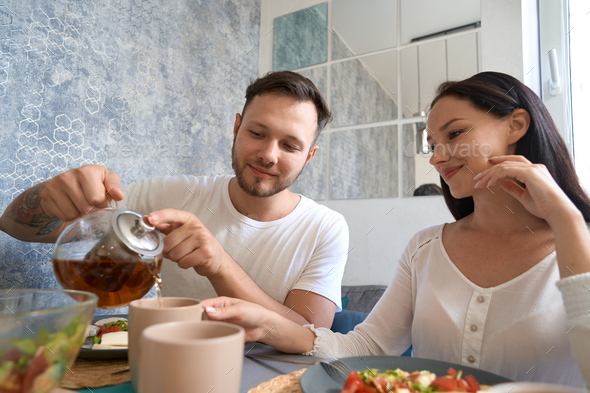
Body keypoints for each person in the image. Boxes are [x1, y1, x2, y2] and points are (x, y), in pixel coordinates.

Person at [200, 72, 590, 388]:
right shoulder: (425, 248)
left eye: (455, 135)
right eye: (432, 143)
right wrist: (264, 323)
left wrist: (566, 219)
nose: (437, 157)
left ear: (516, 125)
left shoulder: (578, 240)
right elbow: (364, 346)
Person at [0, 71, 349, 328]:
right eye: (257, 134)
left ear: (310, 155)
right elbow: (17, 227)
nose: (269, 155)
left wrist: (220, 266)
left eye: (290, 145)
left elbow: (312, 334)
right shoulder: (169, 195)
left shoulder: (325, 228)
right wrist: (45, 198)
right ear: (236, 128)